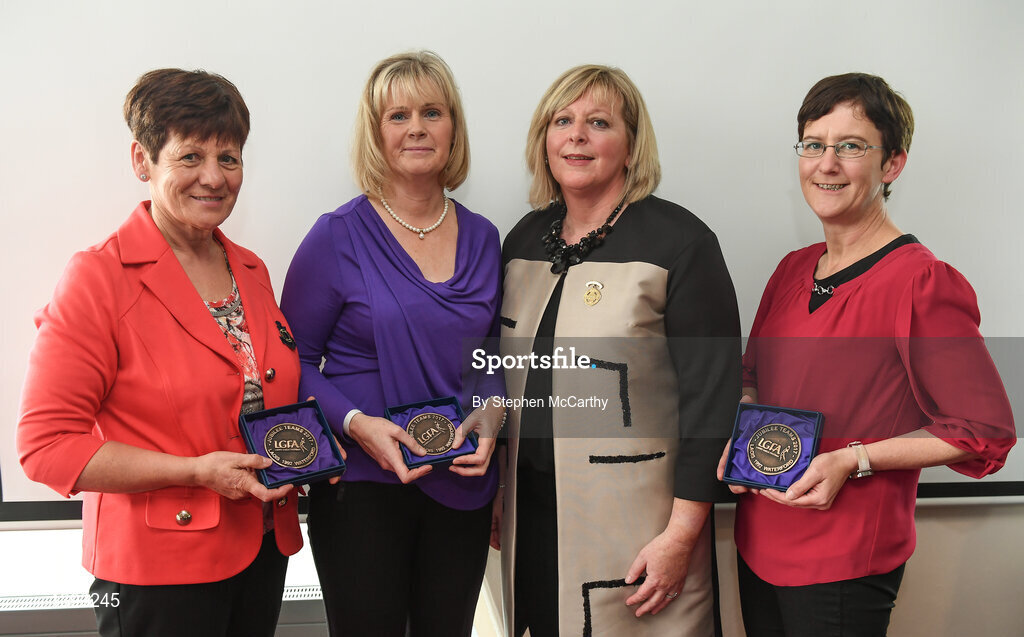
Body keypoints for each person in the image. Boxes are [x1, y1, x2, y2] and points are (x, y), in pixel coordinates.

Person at [717, 72, 1016, 637]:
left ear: (892, 164)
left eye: (851, 146)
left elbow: (983, 430)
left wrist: (851, 459)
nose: (826, 163)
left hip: (843, 556)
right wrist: (745, 426)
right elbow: (752, 375)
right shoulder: (792, 268)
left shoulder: (922, 283)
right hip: (758, 537)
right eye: (814, 144)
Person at [16, 69, 304, 637]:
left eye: (229, 157)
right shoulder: (98, 278)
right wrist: (195, 472)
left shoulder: (250, 268)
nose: (213, 177)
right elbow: (45, 447)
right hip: (157, 571)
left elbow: (256, 396)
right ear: (141, 160)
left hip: (263, 550)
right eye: (190, 156)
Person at [498, 64, 741, 637]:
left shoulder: (682, 244)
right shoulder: (523, 239)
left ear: (631, 147)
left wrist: (682, 535)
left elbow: (713, 402)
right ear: (544, 141)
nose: (576, 135)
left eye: (598, 122)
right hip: (530, 519)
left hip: (640, 528)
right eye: (563, 121)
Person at [280, 51, 503, 637]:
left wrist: (494, 411)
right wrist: (354, 423)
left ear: (453, 127)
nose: (417, 129)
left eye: (433, 112)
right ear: (375, 134)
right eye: (397, 115)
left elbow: (486, 357)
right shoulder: (336, 235)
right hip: (363, 485)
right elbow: (290, 361)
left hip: (463, 479)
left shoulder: (483, 236)